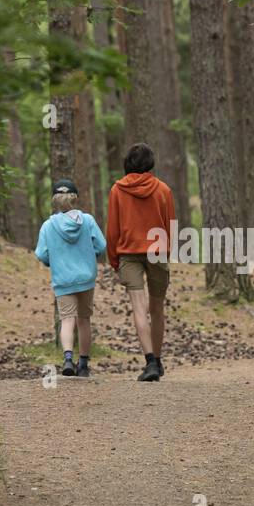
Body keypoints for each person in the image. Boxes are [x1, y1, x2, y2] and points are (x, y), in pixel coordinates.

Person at [105, 143, 175, 382]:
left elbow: (112, 229)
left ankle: (150, 362)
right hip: (157, 251)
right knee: (157, 309)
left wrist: (114, 260)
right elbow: (170, 225)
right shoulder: (163, 190)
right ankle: (157, 358)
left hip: (128, 253)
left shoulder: (117, 190)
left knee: (139, 308)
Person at [34, 179, 106, 377]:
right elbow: (101, 246)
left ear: (55, 200)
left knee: (67, 320)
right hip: (85, 278)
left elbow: (41, 254)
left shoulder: (48, 226)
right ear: (75, 198)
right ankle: (83, 364)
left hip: (63, 279)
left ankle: (67, 359)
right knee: (84, 320)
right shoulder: (88, 221)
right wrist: (90, 255)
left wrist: (53, 261)